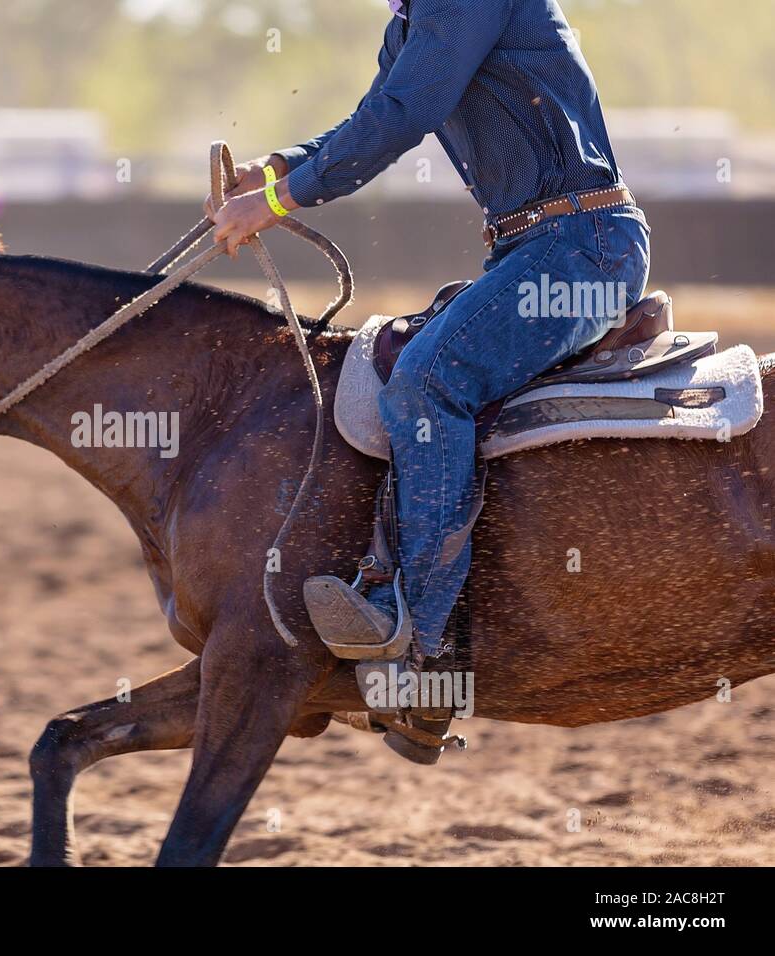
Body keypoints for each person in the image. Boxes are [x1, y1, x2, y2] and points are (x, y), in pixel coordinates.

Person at [208, 0, 651, 676]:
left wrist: (275, 203)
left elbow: (400, 118)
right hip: (545, 247)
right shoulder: (414, 20)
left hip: (576, 248)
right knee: (411, 369)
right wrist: (279, 166)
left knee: (426, 382)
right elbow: (373, 115)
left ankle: (418, 640)